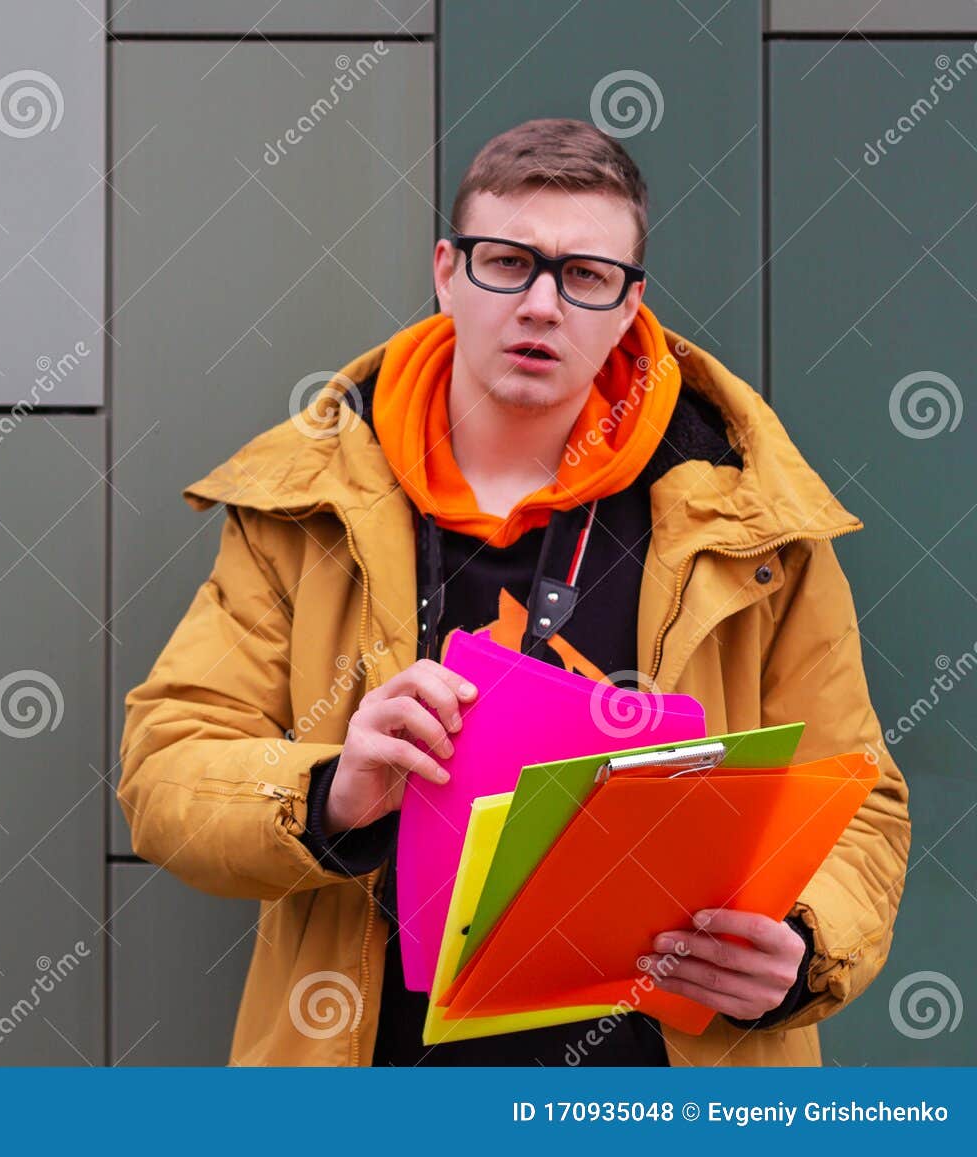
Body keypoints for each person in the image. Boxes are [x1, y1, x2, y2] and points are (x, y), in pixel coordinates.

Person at [117, 118, 910, 1066]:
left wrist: (803, 949)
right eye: (508, 262)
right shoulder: (303, 507)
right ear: (447, 271)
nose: (541, 304)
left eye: (584, 275)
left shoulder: (755, 525)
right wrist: (331, 789)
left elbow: (859, 802)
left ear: (630, 303)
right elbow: (168, 767)